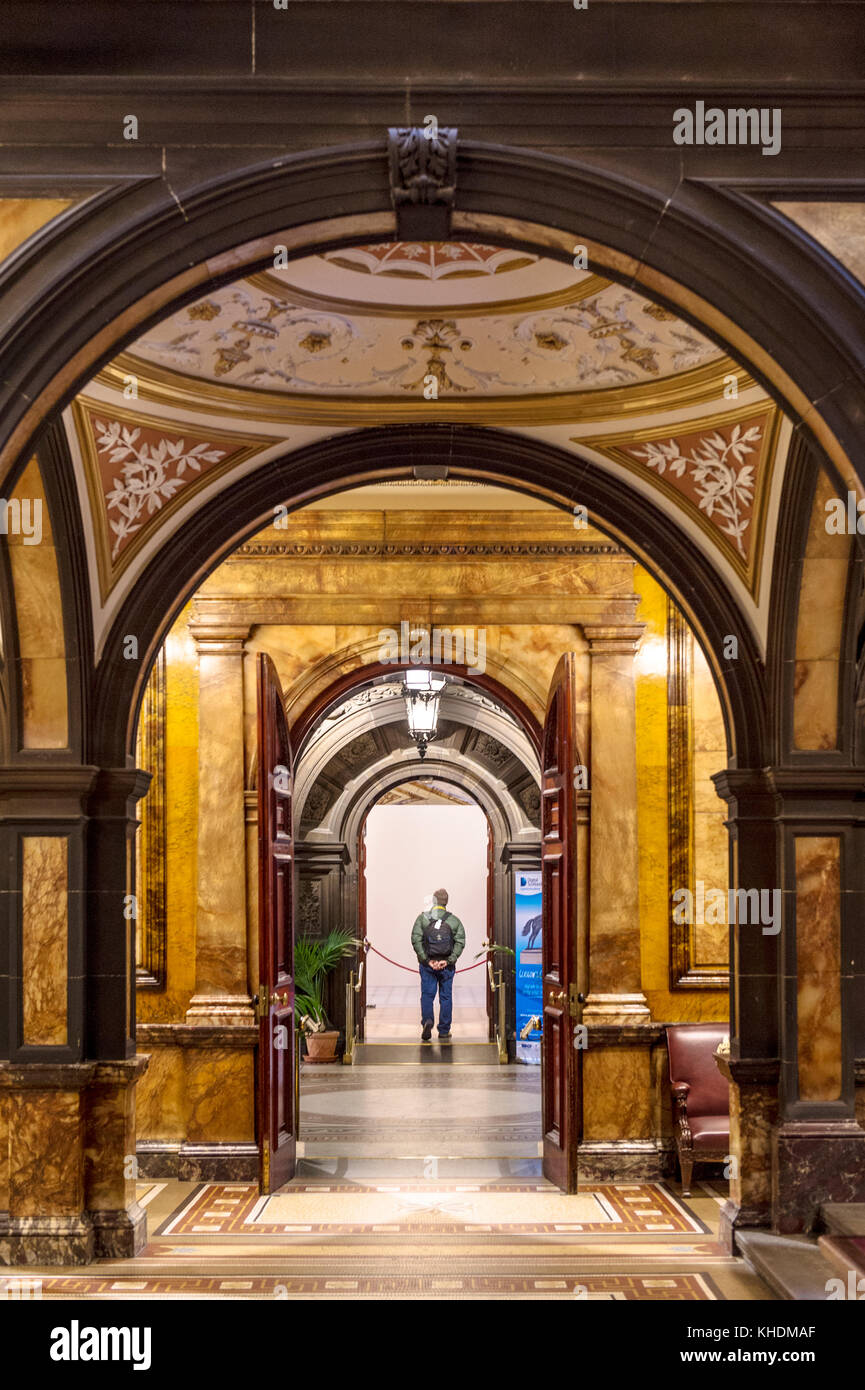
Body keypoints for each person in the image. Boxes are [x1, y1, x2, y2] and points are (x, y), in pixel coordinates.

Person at [411, 888, 466, 1041]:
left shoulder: (422, 918)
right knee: (446, 997)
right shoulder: (454, 920)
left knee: (427, 995)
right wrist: (448, 960)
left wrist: (427, 960)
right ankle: (444, 1030)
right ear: (446, 902)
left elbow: (415, 940)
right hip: (446, 965)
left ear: (434, 901)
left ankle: (427, 1021)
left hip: (428, 965)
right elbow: (460, 942)